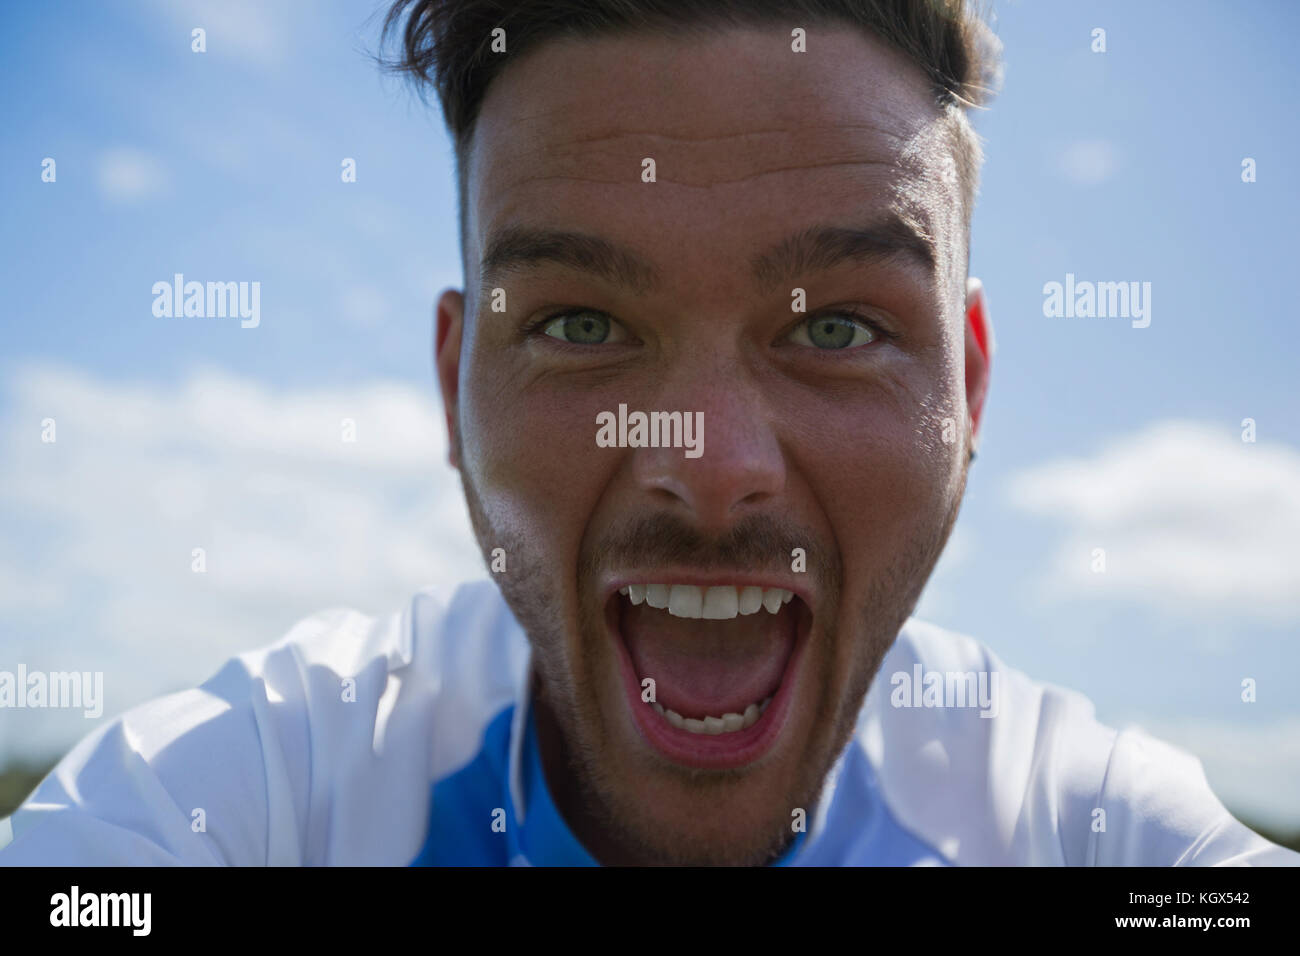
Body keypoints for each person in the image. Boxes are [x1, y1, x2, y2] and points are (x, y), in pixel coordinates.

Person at [2, 0, 1293, 866]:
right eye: (579, 325)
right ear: (455, 383)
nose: (715, 466)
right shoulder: (261, 798)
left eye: (836, 329)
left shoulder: (1087, 836)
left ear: (968, 391)